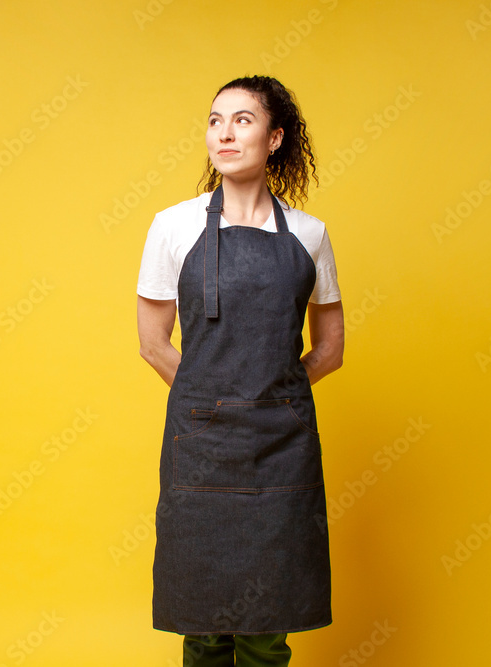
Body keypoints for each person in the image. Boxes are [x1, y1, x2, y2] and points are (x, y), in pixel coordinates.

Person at [135, 75, 345, 666]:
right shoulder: (172, 227)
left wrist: (275, 397)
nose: (224, 133)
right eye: (214, 120)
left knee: (268, 620)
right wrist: (211, 401)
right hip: (201, 445)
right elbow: (154, 343)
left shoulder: (309, 234)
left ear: (275, 138)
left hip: (281, 445)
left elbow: (329, 346)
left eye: (243, 120)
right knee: (202, 619)